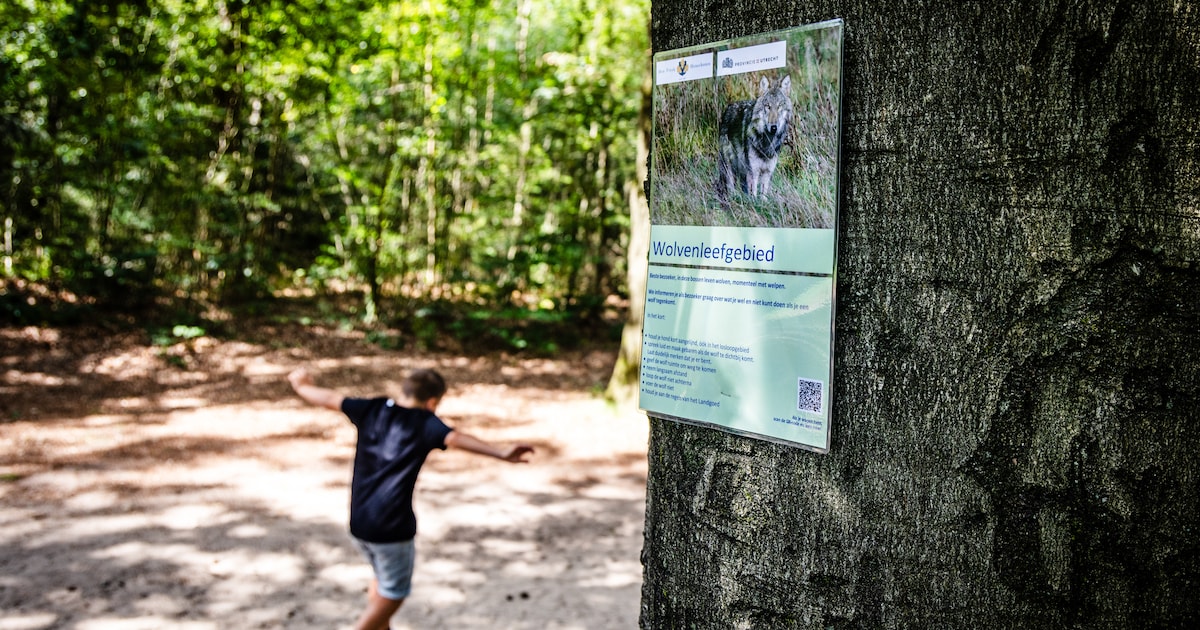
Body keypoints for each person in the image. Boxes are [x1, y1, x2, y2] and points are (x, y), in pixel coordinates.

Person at [287, 367, 534, 630]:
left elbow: (328, 399)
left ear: (404, 390)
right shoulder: (425, 422)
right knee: (394, 593)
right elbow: (456, 437)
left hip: (359, 522)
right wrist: (501, 453)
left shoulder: (373, 408)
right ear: (431, 402)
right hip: (393, 527)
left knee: (382, 581)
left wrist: (301, 385)